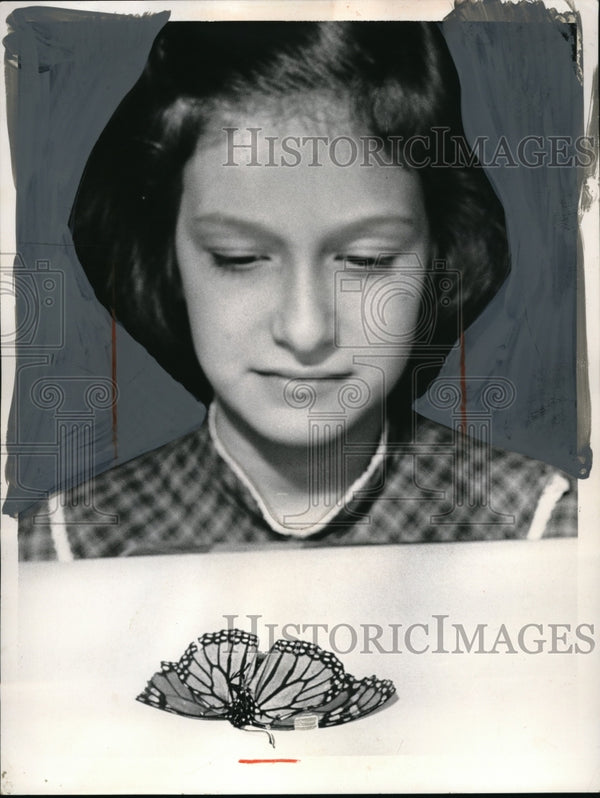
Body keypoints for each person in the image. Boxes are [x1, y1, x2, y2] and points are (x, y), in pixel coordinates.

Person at [18, 21, 576, 560]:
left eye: (367, 259)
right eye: (238, 258)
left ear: (439, 255)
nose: (306, 330)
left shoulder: (543, 527)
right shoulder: (64, 545)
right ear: (169, 257)